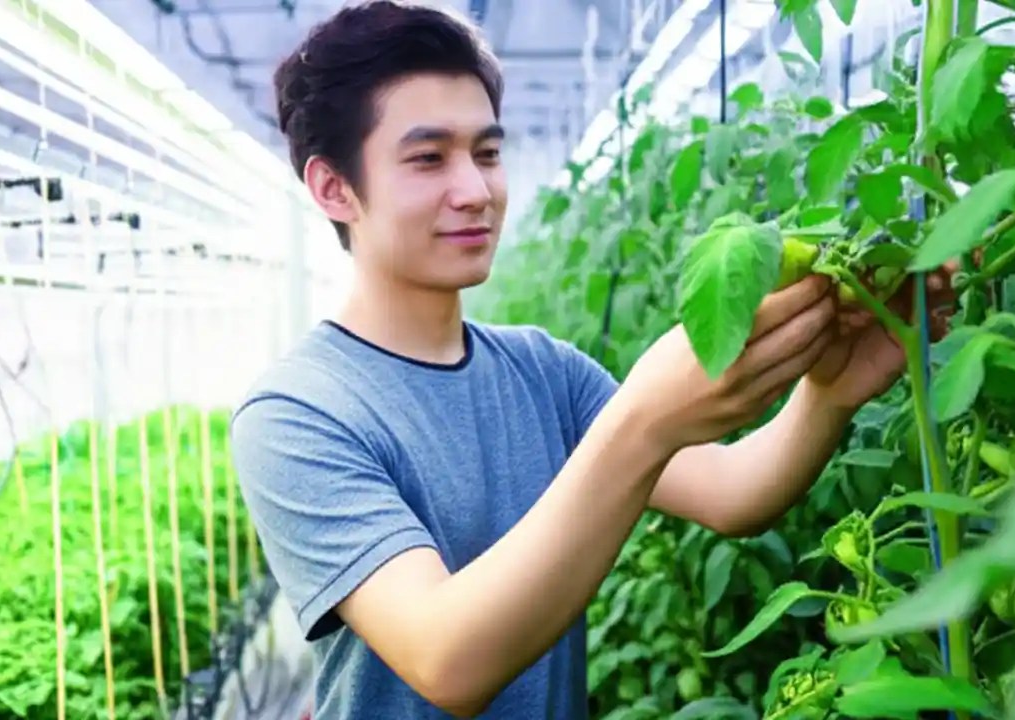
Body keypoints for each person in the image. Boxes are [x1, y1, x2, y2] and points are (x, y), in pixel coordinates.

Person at [229, 2, 957, 718]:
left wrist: (830, 391)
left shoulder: (542, 369)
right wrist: (643, 423)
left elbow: (736, 494)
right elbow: (447, 660)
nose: (476, 191)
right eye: (429, 158)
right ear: (334, 187)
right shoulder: (297, 413)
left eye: (487, 152)